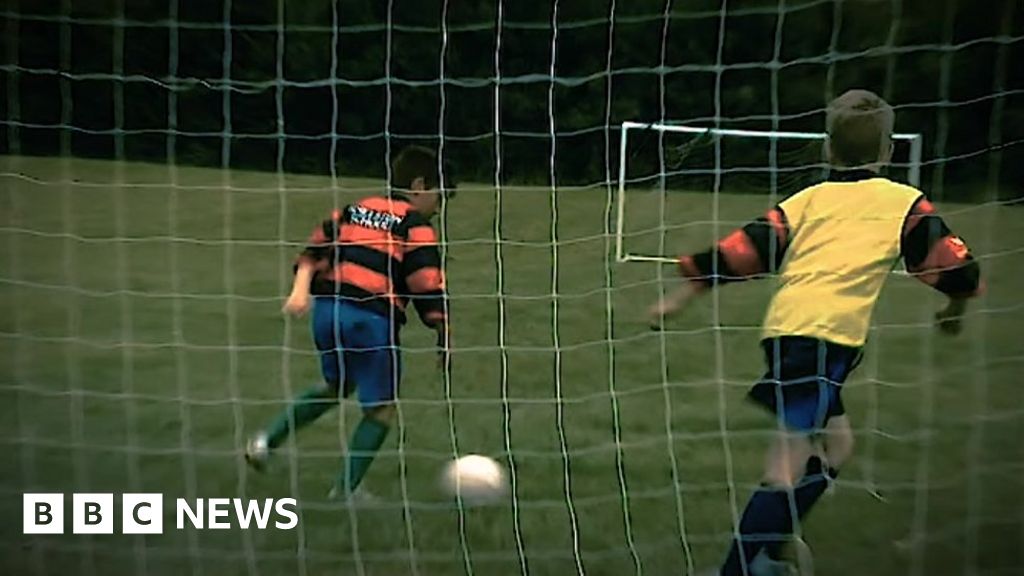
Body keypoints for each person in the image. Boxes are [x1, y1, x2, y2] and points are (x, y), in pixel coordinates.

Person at [649, 90, 982, 575]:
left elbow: (746, 249)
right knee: (786, 462)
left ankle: (773, 546)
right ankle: (739, 568)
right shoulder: (905, 203)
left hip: (790, 331)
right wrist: (954, 308)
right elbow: (957, 268)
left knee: (837, 446)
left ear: (828, 149)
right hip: (824, 339)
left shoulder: (806, 200)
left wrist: (681, 295)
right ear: (889, 152)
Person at [246, 145, 454, 501]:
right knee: (382, 409)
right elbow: (425, 282)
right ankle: (345, 491)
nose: (439, 206)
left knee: (336, 385)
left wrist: (301, 290)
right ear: (419, 185)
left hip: (327, 312)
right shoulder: (415, 224)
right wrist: (441, 328)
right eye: (439, 195)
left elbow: (313, 250)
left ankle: (264, 442)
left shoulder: (354, 209)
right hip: (370, 318)